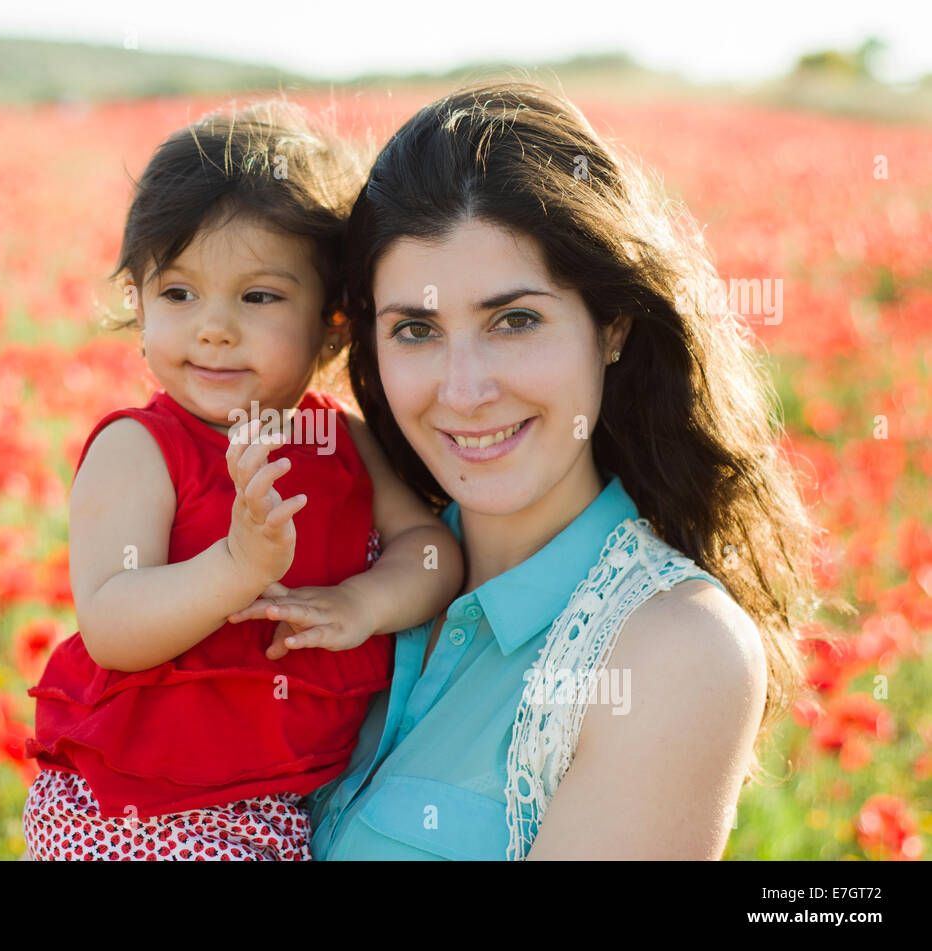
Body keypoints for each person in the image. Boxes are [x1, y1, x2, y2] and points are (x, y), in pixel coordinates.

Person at [284, 80, 819, 859]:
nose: (464, 391)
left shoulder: (667, 651)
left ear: (613, 327)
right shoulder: (340, 569)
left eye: (515, 319)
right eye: (416, 329)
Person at [21, 100, 464, 860]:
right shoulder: (140, 448)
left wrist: (363, 600)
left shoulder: (341, 437)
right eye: (178, 293)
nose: (213, 327)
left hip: (288, 803)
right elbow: (111, 621)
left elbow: (430, 549)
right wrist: (237, 566)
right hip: (138, 810)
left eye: (258, 296)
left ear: (332, 318)